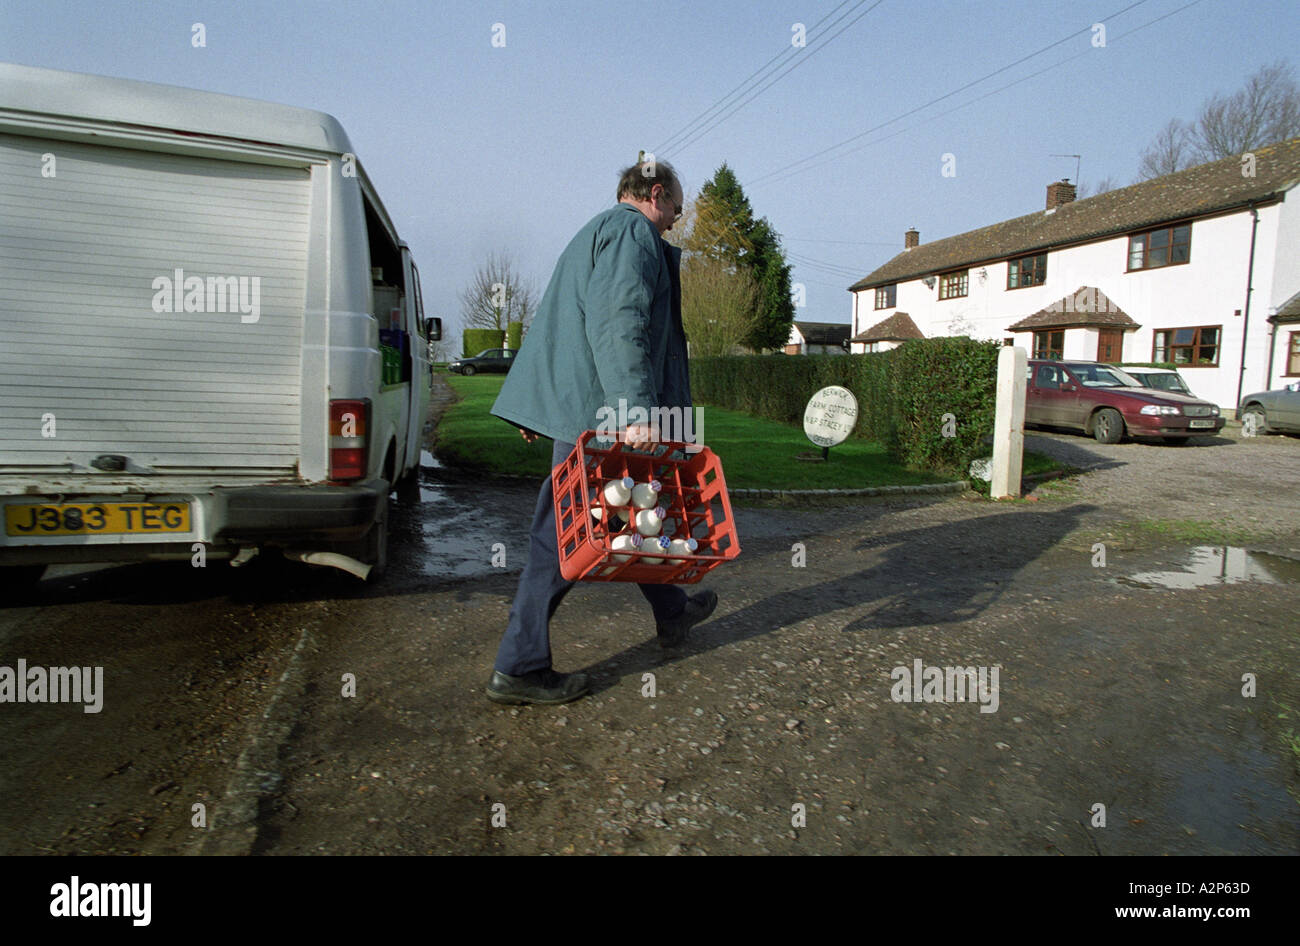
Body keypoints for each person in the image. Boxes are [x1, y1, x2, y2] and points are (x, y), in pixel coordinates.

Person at [485, 158, 718, 705]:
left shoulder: (595, 233)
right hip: (606, 416)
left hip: (591, 409)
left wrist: (534, 406)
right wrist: (635, 409)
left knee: (637, 515)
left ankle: (673, 613)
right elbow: (619, 320)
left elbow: (558, 325)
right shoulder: (631, 231)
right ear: (655, 195)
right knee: (562, 539)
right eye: (675, 212)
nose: (672, 224)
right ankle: (519, 666)